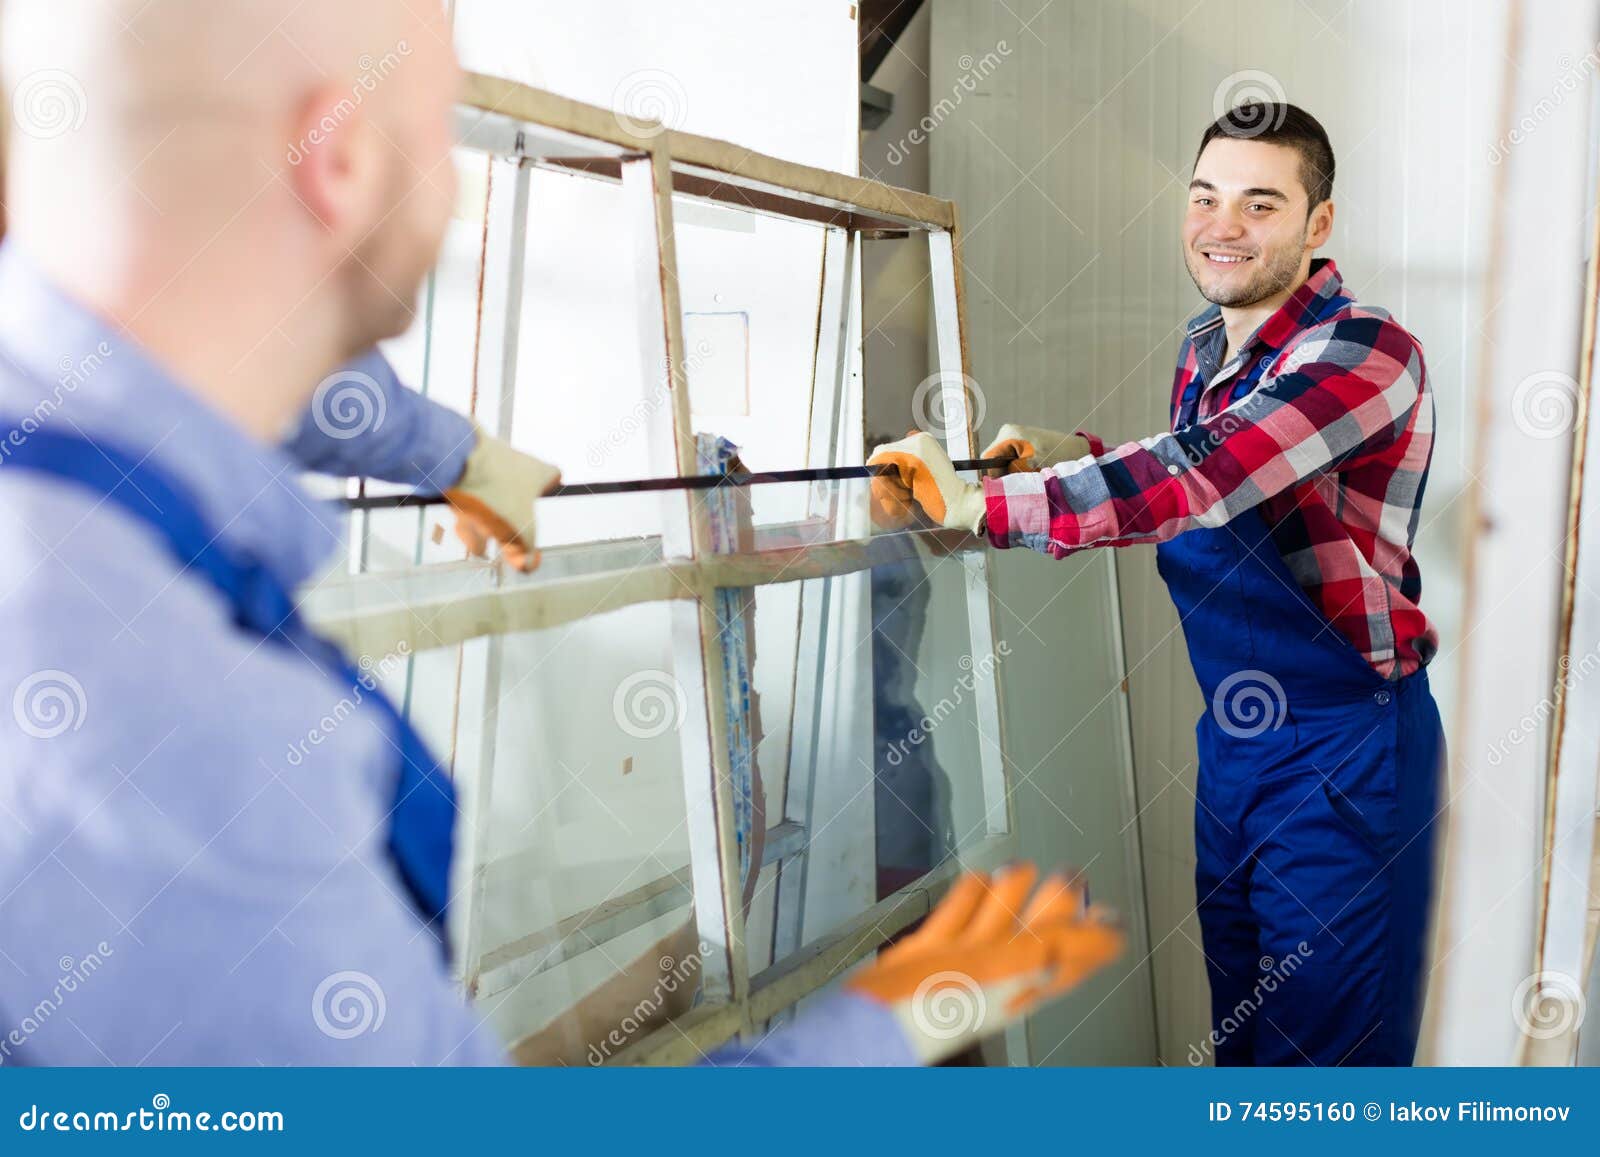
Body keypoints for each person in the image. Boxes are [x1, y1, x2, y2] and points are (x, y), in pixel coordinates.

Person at [0, 0, 1121, 1066]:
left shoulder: (64, 417)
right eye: (439, 125)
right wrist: (894, 1013)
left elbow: (239, 374)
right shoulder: (152, 715)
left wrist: (452, 457)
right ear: (339, 168)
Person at [870, 102, 1443, 1067]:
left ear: (1319, 225)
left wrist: (985, 503)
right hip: (1236, 747)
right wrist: (1070, 458)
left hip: (1343, 754)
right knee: (1242, 1037)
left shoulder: (1365, 352)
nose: (1223, 226)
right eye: (1205, 197)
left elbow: (1207, 473)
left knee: (1329, 1074)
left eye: (1260, 204)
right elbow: (1206, 483)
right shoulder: (1206, 349)